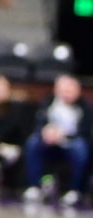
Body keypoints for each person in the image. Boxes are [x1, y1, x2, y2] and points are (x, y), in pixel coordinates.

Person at [22, 75, 91, 206]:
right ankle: (34, 187)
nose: (67, 93)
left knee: (80, 148)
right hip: (48, 140)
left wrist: (64, 135)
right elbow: (39, 123)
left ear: (78, 91)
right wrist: (45, 131)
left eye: (70, 89)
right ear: (56, 90)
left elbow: (85, 132)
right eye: (64, 89)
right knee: (33, 142)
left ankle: (75, 190)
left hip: (70, 141)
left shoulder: (84, 107)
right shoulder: (48, 103)